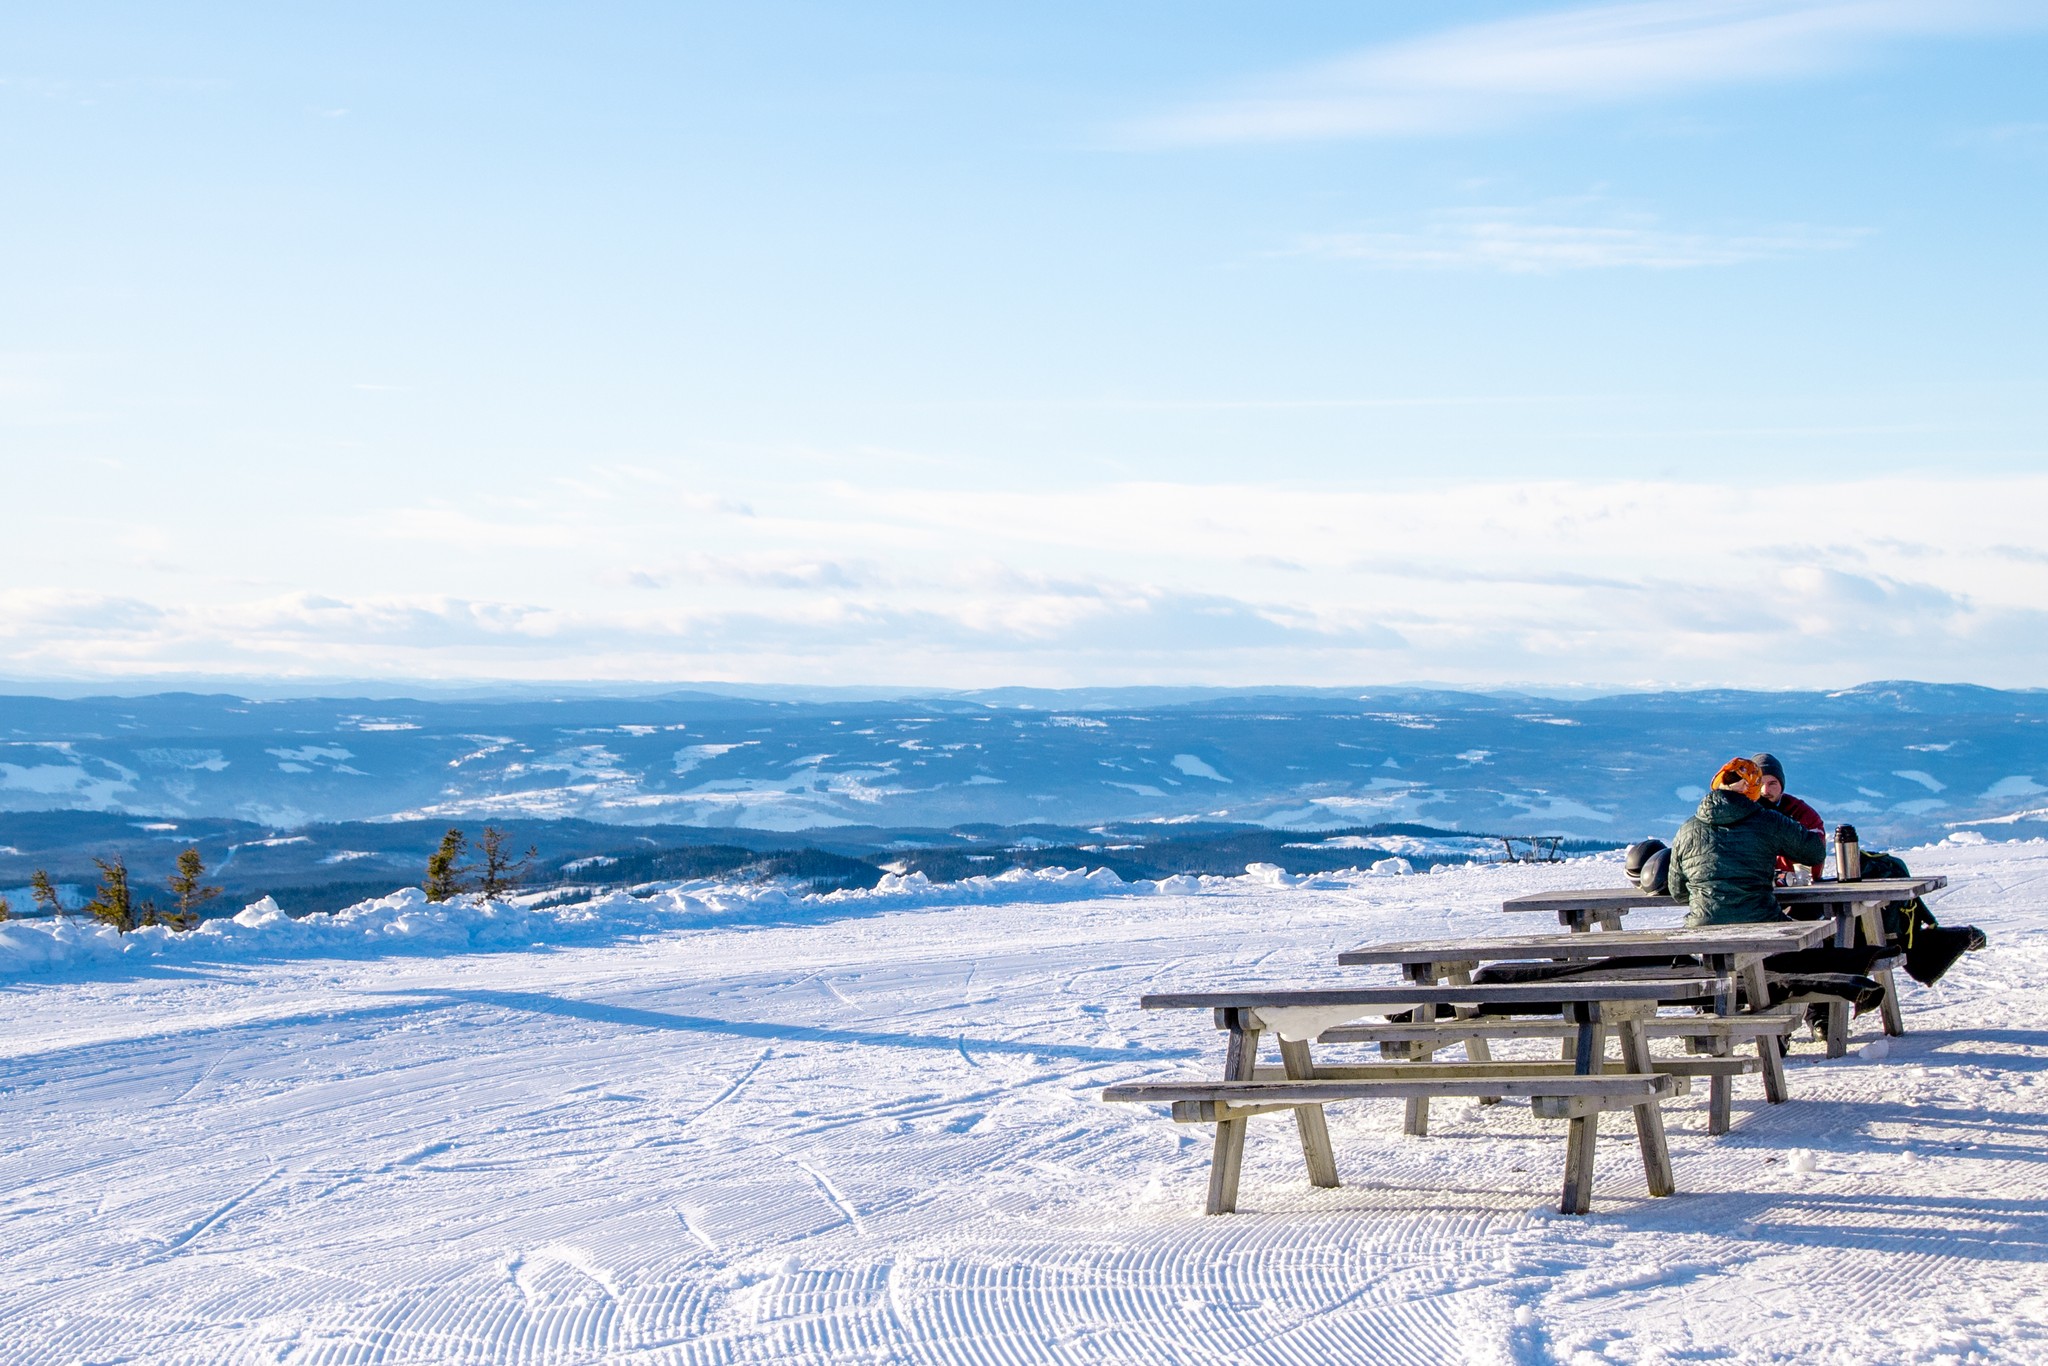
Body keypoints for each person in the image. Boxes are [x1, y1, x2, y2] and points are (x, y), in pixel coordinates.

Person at [1668, 757, 1828, 927]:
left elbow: (1678, 892)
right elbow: (1815, 853)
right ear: (1749, 787)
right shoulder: (1769, 821)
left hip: (1702, 927)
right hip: (1762, 922)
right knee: (1812, 939)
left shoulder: (1686, 829)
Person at [1751, 751, 1825, 884]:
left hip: (1797, 893)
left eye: (1772, 783)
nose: (1765, 791)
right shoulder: (1742, 813)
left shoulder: (1802, 813)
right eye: (1760, 783)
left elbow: (1814, 864)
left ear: (1782, 785)